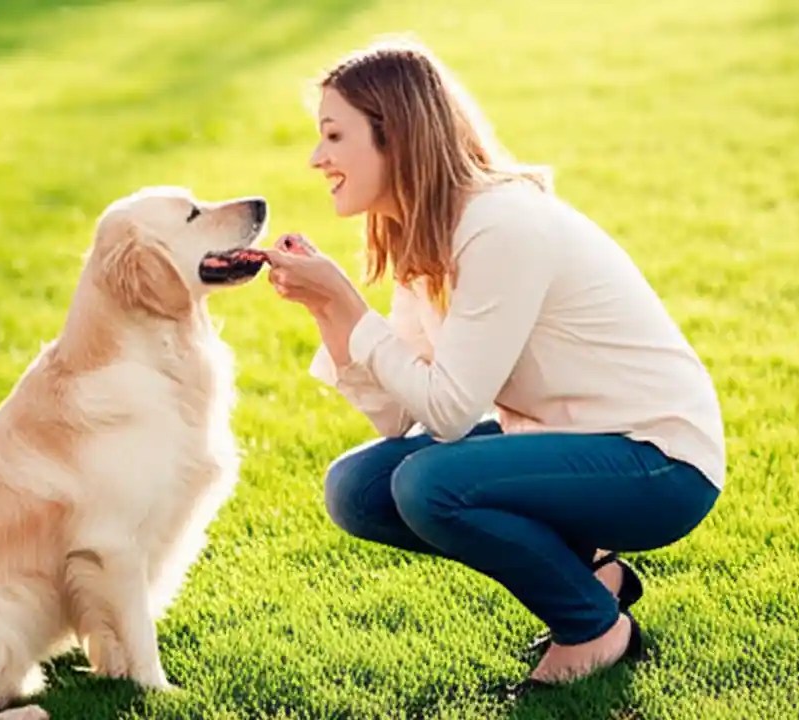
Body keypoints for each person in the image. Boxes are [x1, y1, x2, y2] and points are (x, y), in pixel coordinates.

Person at [263, 37, 725, 692]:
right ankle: (594, 577)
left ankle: (594, 627)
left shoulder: (498, 225)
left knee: (429, 485)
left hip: (658, 462)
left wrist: (348, 304)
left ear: (393, 135)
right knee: (358, 489)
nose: (317, 158)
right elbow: (399, 416)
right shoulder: (422, 233)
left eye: (334, 136)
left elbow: (448, 413)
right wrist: (329, 312)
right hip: (568, 445)